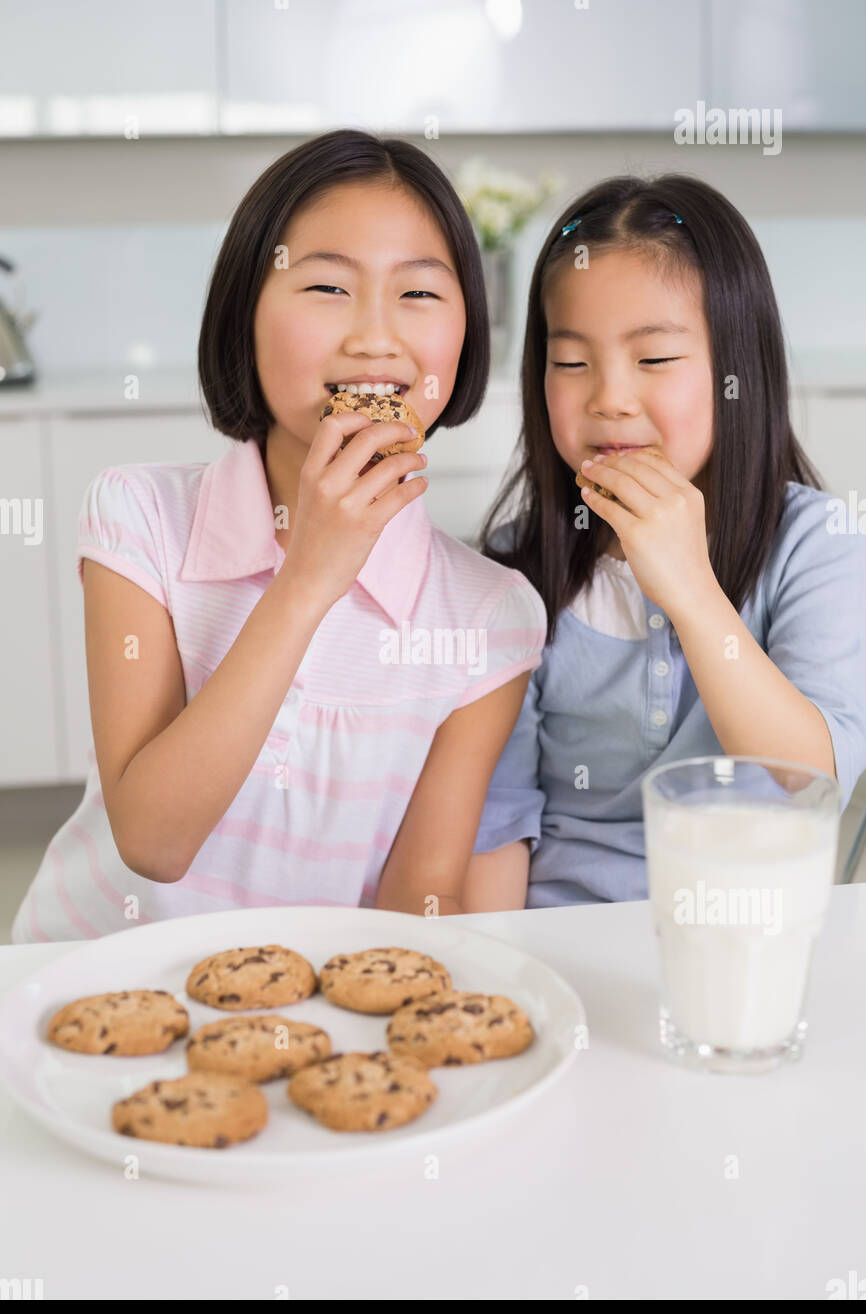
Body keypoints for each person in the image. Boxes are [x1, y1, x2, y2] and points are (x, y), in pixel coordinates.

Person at [12, 129, 546, 942]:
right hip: (90, 988)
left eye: (420, 294)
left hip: (306, 1018)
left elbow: (421, 899)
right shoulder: (139, 518)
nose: (375, 337)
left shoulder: (490, 615)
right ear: (244, 312)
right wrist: (308, 578)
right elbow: (154, 842)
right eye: (328, 288)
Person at [463, 174, 866, 911]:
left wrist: (688, 588)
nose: (609, 397)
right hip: (567, 942)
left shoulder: (817, 544)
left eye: (653, 360)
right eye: (572, 361)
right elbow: (498, 825)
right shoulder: (517, 568)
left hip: (748, 945)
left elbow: (815, 778)